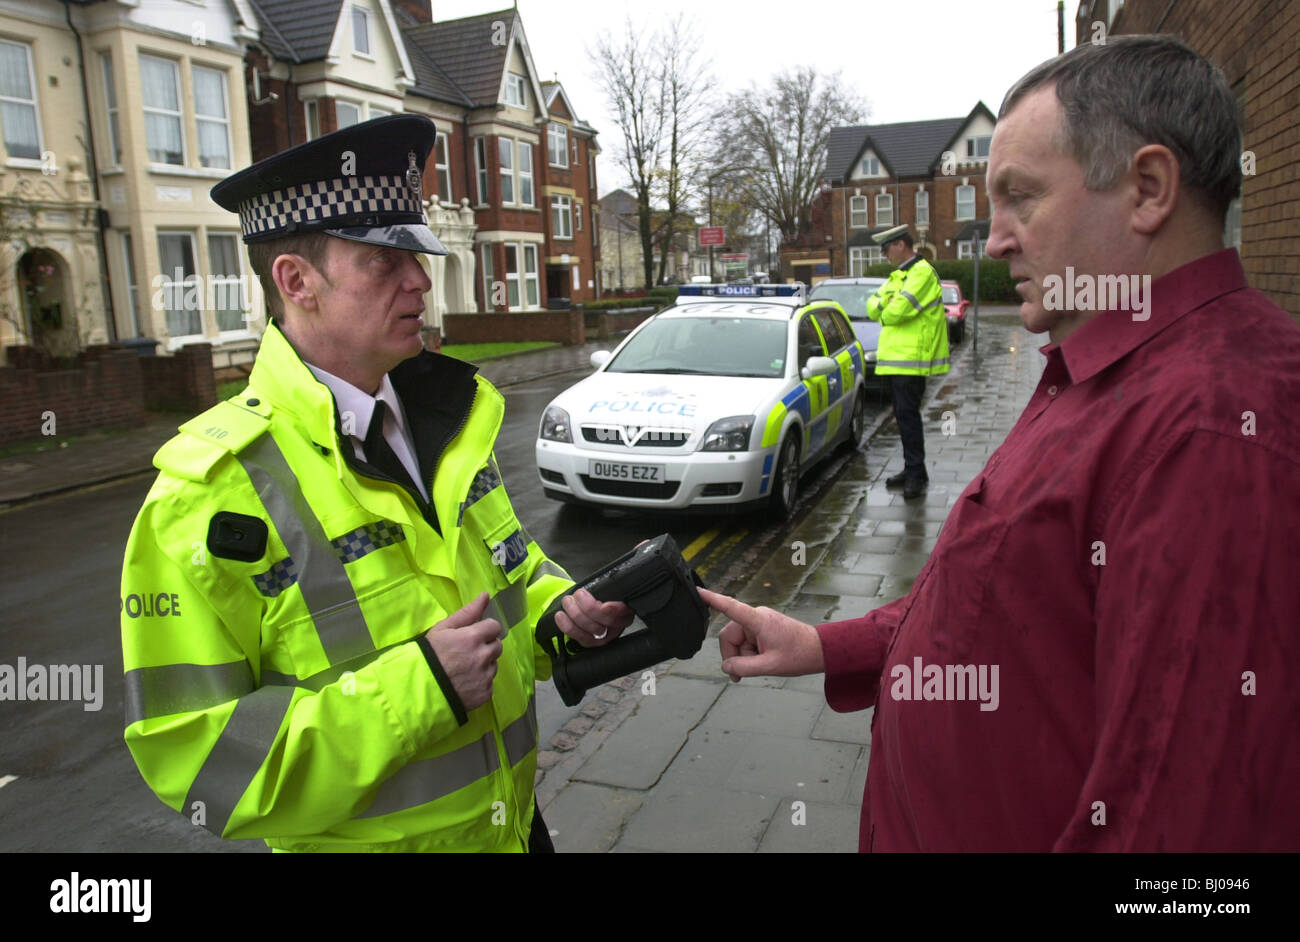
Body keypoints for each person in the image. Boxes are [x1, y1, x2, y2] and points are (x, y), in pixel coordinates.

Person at [700, 35, 1300, 851]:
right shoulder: (1103, 367)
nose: (994, 241)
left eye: (1022, 198)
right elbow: (1000, 602)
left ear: (1148, 189)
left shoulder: (1212, 431)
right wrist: (822, 643)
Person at [119, 114, 632, 853]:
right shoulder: (205, 496)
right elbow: (199, 760)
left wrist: (560, 614)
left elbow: (510, 574)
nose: (420, 279)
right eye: (382, 262)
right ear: (297, 283)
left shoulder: (448, 425)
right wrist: (421, 686)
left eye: (416, 256)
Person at [865, 224, 949, 499]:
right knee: (903, 418)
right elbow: (870, 307)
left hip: (911, 359)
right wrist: (886, 305)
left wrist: (886, 306)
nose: (885, 255)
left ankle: (916, 474)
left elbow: (896, 312)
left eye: (886, 249)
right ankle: (913, 469)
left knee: (908, 418)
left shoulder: (922, 272)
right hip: (894, 360)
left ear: (901, 245)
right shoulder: (899, 275)